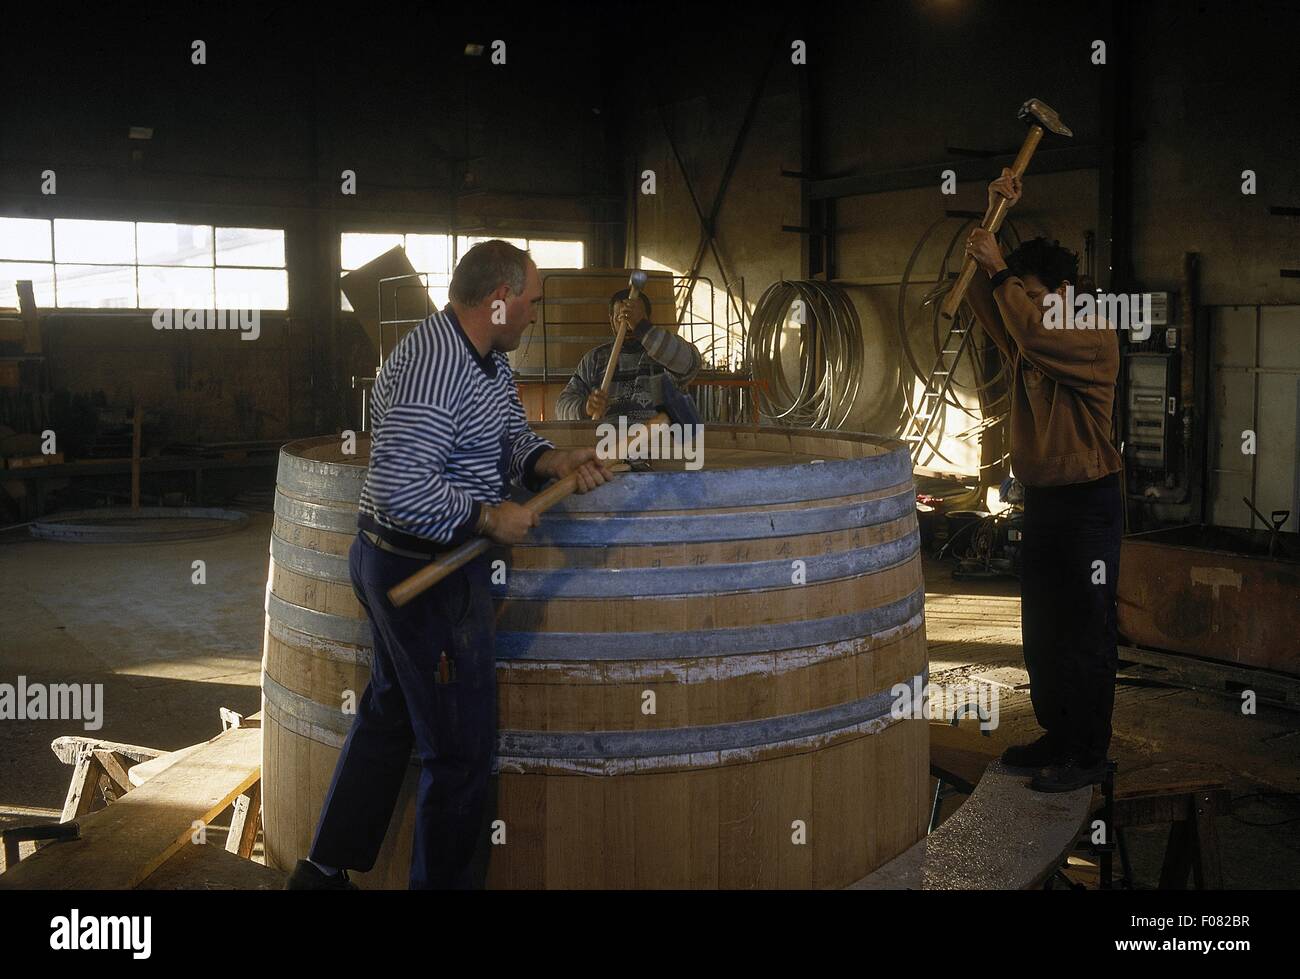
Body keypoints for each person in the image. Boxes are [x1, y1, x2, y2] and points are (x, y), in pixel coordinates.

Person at [287, 240, 612, 889]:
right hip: (424, 572)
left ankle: (322, 872)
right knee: (460, 755)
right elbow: (404, 490)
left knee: (390, 712)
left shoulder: (486, 362)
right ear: (498, 299)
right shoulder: (434, 364)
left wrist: (555, 461)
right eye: (531, 301)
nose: (535, 312)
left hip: (419, 563)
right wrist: (493, 518)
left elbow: (510, 437)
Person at [961, 168, 1123, 793]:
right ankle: (1058, 734)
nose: (1019, 300)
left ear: (1060, 292)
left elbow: (1025, 322)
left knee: (1086, 627)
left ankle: (1088, 752)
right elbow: (982, 295)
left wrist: (1004, 272)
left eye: (1029, 291)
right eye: (1018, 291)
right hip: (1047, 504)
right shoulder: (1029, 339)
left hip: (1089, 504)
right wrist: (991, 213)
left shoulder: (1090, 336)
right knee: (1044, 628)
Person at [554, 287, 701, 421]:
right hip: (609, 444)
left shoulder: (666, 351)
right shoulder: (595, 359)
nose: (628, 325)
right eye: (621, 318)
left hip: (659, 444)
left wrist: (641, 327)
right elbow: (562, 408)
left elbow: (690, 364)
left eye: (634, 317)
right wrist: (585, 408)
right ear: (611, 321)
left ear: (648, 318)